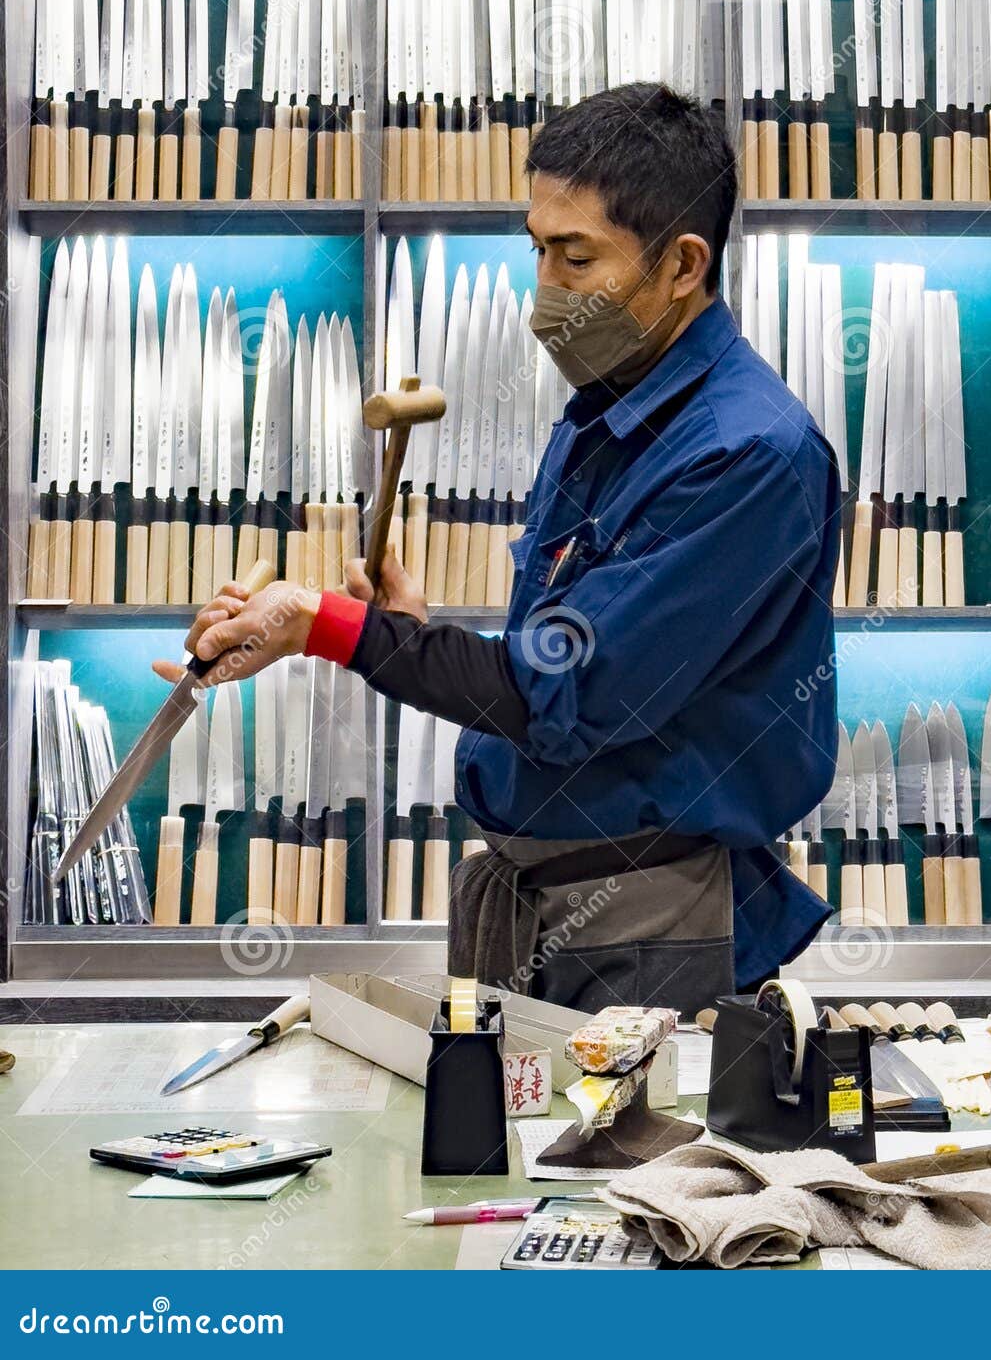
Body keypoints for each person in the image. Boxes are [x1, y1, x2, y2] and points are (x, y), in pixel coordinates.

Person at [164, 83, 840, 1015]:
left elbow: (565, 697)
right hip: (544, 904)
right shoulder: (609, 408)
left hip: (643, 932)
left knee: (603, 1165)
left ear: (683, 265)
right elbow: (553, 667)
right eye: (538, 252)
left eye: (577, 258)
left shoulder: (747, 455)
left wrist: (326, 625)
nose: (543, 297)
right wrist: (409, 635)